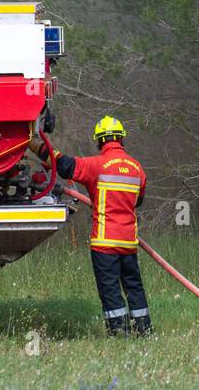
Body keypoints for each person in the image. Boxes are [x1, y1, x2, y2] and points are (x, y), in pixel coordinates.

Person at [37, 115, 151, 336]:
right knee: (134, 287)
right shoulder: (137, 168)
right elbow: (138, 201)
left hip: (105, 242)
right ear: (121, 139)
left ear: (100, 141)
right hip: (128, 242)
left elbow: (65, 166)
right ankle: (144, 329)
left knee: (110, 289)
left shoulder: (96, 165)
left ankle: (119, 332)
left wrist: (37, 147)